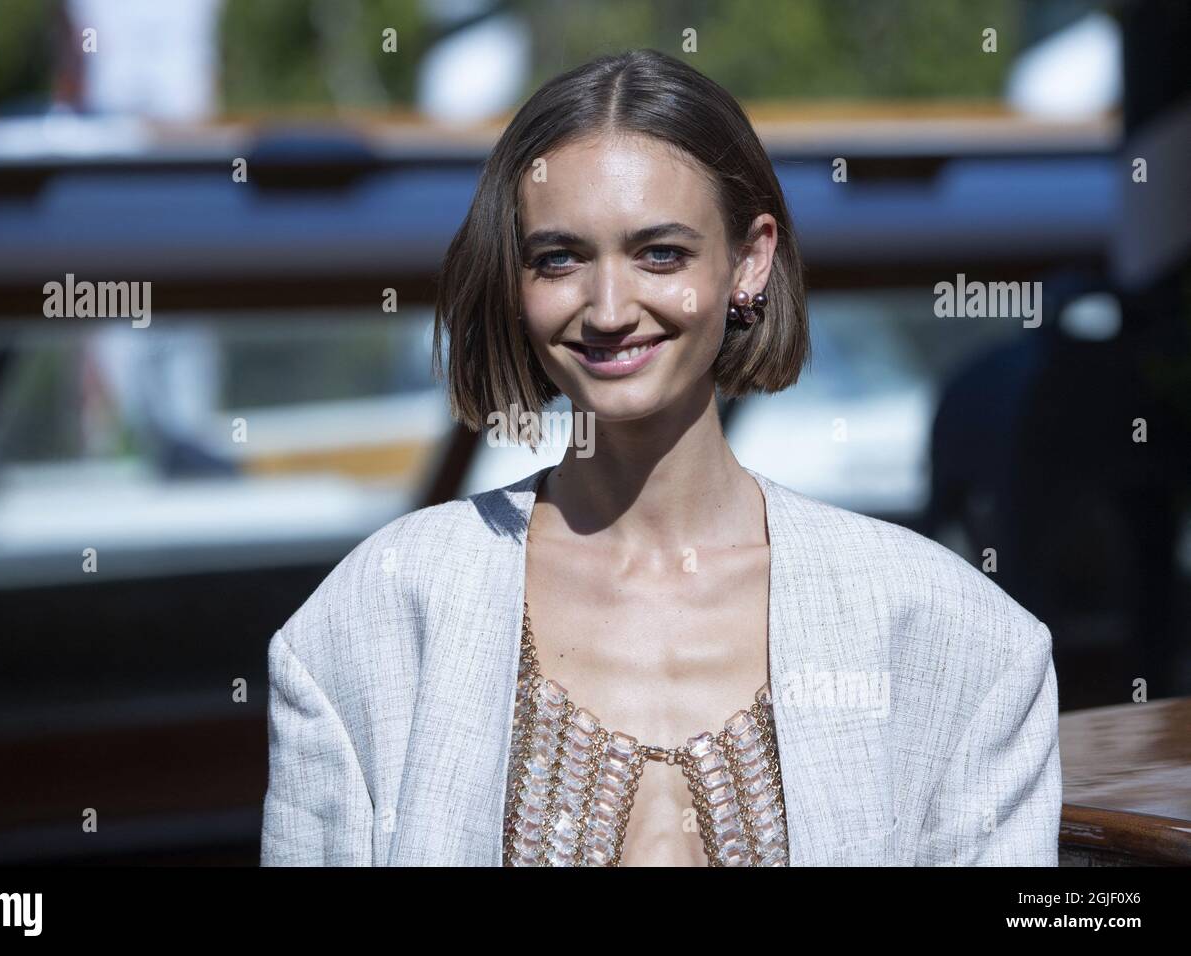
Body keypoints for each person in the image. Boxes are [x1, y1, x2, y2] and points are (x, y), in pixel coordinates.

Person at [260, 48, 1061, 867]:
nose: (609, 310)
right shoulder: (373, 625)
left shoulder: (955, 638)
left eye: (660, 254)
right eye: (560, 258)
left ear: (750, 260)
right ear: (515, 277)